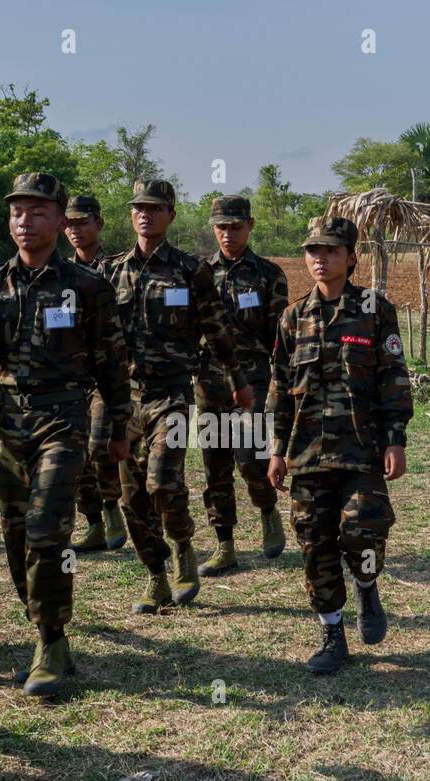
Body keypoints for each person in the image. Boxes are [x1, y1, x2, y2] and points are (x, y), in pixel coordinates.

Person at [0, 173, 131, 696]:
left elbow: (111, 362)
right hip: (8, 421)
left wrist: (117, 424)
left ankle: (50, 640)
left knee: (46, 531)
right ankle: (42, 624)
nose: (26, 220)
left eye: (38, 211)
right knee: (18, 535)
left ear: (59, 220)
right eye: (18, 212)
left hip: (65, 420)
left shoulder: (88, 286)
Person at [267, 216, 412, 675]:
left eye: (330, 250)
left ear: (351, 257)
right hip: (307, 453)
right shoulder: (293, 317)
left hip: (362, 449)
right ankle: (333, 634)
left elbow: (393, 377)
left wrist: (395, 440)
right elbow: (279, 385)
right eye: (313, 250)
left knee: (363, 528)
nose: (319, 259)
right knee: (314, 543)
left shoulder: (374, 309)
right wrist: (275, 449)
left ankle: (367, 585)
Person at [105, 179, 252, 613]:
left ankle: (184, 546)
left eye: (154, 208)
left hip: (170, 394)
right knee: (131, 497)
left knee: (163, 482)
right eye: (138, 208)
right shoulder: (109, 272)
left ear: (170, 215)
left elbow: (216, 329)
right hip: (124, 399)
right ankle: (155, 574)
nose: (145, 215)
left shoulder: (191, 271)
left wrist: (238, 379)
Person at [195, 195, 288, 576]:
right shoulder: (198, 273)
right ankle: (225, 546)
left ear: (249, 226)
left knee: (251, 461)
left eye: (235, 226)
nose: (228, 234)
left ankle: (267, 509)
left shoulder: (268, 275)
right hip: (209, 384)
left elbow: (279, 337)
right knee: (215, 466)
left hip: (252, 381)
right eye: (221, 227)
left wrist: (278, 384)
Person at [65, 194, 128, 554]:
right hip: (73, 375)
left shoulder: (118, 269)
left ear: (99, 224)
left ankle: (111, 507)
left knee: (99, 446)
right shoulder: (59, 273)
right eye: (70, 224)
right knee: (74, 454)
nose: (76, 230)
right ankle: (93, 523)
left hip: (107, 374)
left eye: (83, 222)